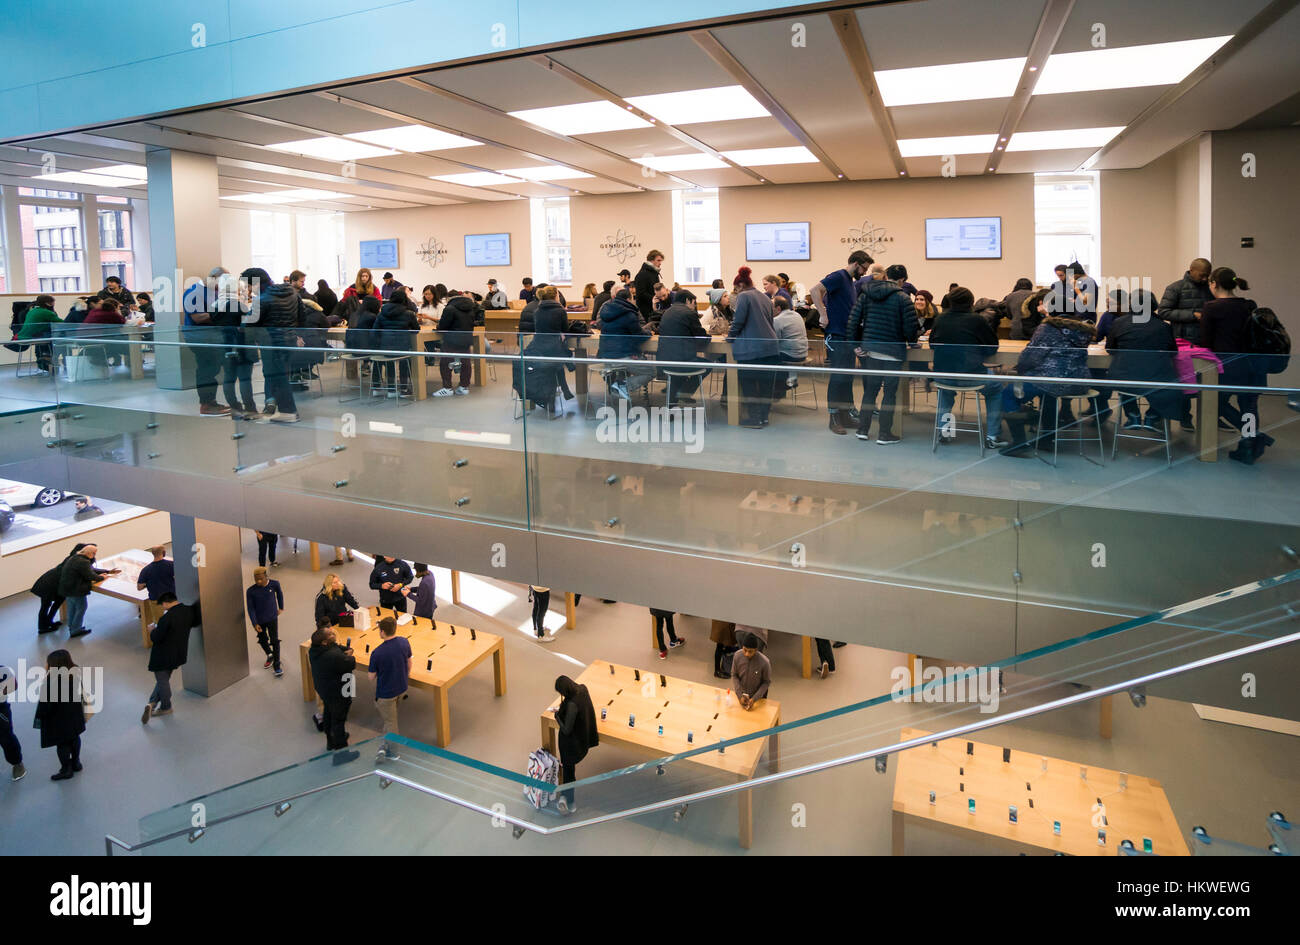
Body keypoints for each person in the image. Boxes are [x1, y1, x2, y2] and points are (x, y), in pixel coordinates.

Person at [1001, 295, 1099, 454]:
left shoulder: (1047, 328)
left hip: (1051, 379)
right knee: (1048, 395)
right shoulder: (1083, 330)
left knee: (1007, 394)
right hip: (1079, 382)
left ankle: (1019, 442)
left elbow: (1030, 357)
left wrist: (1020, 369)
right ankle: (1046, 439)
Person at [1201, 266, 1269, 464]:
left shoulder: (1211, 308)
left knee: (1219, 405)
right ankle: (1248, 445)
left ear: (1214, 284)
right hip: (1254, 364)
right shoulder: (1249, 305)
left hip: (1227, 366)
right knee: (1249, 406)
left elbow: (1206, 343)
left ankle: (1253, 437)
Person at [848, 263, 920, 444]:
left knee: (870, 391)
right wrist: (912, 342)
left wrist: (855, 344)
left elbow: (853, 320)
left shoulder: (866, 294)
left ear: (886, 276)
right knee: (889, 393)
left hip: (871, 350)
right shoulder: (903, 298)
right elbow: (910, 327)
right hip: (893, 352)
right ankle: (884, 434)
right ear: (902, 280)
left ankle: (863, 430)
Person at [928, 287, 1007, 450]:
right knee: (996, 389)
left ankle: (945, 432)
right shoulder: (977, 320)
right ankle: (993, 436)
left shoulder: (940, 319)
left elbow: (932, 344)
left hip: (943, 375)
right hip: (971, 374)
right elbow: (992, 347)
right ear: (971, 302)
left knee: (945, 391)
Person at [1105, 288, 1183, 433]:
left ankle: (1132, 415)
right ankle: (1152, 416)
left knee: (1126, 384)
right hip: (1155, 377)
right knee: (1171, 384)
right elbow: (1172, 352)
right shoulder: (1164, 326)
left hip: (1125, 376)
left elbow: (1110, 349)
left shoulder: (1119, 322)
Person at [812, 250, 873, 434]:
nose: (864, 273)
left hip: (847, 336)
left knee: (846, 377)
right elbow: (815, 290)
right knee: (838, 377)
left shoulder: (851, 283)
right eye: (864, 268)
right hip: (836, 335)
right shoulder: (839, 276)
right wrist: (823, 314)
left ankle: (845, 415)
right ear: (856, 263)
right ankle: (834, 418)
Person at [242, 267, 304, 423]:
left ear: (255, 283)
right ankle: (284, 409)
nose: (248, 290)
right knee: (281, 376)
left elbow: (248, 326)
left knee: (277, 377)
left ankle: (289, 411)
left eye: (248, 286)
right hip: (289, 341)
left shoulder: (261, 300)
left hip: (271, 344)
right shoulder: (293, 293)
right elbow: (302, 317)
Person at [728, 266, 780, 428]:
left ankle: (754, 418)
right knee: (766, 385)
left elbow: (739, 321)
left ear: (741, 286)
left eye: (736, 289)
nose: (735, 292)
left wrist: (730, 336)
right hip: (771, 347)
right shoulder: (765, 297)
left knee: (749, 384)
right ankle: (764, 417)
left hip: (751, 349)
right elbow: (770, 322)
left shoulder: (743, 296)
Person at [208, 269, 259, 418]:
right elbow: (247, 325)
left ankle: (235, 408)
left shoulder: (214, 307)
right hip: (242, 346)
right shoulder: (240, 306)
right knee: (245, 379)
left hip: (225, 346)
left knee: (228, 378)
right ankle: (250, 409)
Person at [34, 650, 87, 781]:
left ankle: (66, 769)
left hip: (59, 722)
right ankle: (76, 763)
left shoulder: (50, 684)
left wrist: (40, 718)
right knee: (75, 739)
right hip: (75, 716)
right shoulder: (75, 674)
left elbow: (45, 707)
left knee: (62, 745)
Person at [141, 592, 193, 723]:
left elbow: (157, 637)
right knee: (163, 679)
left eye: (163, 605)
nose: (163, 608)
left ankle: (166, 706)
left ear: (166, 602)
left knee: (162, 681)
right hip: (179, 652)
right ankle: (152, 703)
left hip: (163, 655)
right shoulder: (188, 610)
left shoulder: (167, 618)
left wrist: (152, 630)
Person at [552, 675, 598, 814]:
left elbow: (566, 730)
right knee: (569, 771)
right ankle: (567, 797)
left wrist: (557, 717)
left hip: (570, 745)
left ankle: (570, 800)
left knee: (569, 772)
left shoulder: (572, 705)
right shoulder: (583, 688)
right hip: (583, 736)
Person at [597, 288, 653, 400]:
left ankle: (619, 385)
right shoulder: (629, 314)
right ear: (628, 299)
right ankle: (623, 385)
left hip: (605, 357)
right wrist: (649, 333)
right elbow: (639, 336)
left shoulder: (606, 311)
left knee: (624, 370)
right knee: (652, 371)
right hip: (622, 357)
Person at [656, 289, 710, 405]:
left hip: (664, 360)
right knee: (708, 365)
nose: (694, 306)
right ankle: (685, 392)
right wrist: (709, 336)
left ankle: (672, 405)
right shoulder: (689, 313)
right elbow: (701, 338)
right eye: (693, 303)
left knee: (676, 373)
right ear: (687, 300)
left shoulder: (667, 312)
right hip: (682, 360)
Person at [309, 622, 356, 752]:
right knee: (339, 719)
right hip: (337, 691)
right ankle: (341, 749)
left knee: (328, 713)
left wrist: (342, 651)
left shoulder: (315, 649)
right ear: (324, 642)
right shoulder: (333, 656)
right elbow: (350, 663)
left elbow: (335, 647)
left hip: (324, 689)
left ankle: (331, 740)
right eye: (330, 634)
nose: (333, 633)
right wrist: (349, 655)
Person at [58, 543, 117, 639]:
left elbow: (91, 570)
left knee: (72, 608)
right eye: (94, 553)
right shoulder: (83, 562)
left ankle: (71, 626)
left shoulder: (75, 558)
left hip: (67, 588)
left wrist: (107, 571)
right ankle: (76, 629)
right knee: (81, 607)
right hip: (76, 590)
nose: (95, 556)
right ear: (90, 553)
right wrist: (102, 577)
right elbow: (91, 575)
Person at [367, 616, 412, 736]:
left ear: (382, 632)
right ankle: (386, 742)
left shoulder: (377, 653)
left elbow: (371, 677)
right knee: (390, 718)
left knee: (391, 722)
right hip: (402, 687)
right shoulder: (404, 642)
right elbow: (409, 663)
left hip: (386, 694)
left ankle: (393, 752)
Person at [374, 288, 419, 395]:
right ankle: (404, 389)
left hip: (385, 346)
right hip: (402, 346)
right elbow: (416, 330)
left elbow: (375, 330)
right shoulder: (409, 314)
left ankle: (391, 390)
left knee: (390, 363)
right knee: (404, 363)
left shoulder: (382, 313)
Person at [1158, 258, 1213, 342]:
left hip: (1207, 339)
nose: (1205, 279)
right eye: (1202, 275)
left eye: (1207, 276)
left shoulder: (1211, 288)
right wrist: (1193, 315)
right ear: (1192, 270)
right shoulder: (1175, 288)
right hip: (1183, 341)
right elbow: (1163, 312)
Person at [31, 544, 83, 634]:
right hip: (48, 585)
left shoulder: (72, 558)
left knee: (57, 602)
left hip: (55, 585)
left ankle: (49, 622)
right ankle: (42, 628)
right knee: (45, 606)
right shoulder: (73, 560)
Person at [434, 291, 476, 395]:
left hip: (451, 340)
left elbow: (443, 326)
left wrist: (438, 327)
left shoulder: (449, 309)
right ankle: (464, 387)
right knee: (466, 363)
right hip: (466, 339)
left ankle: (447, 388)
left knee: (445, 362)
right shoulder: (470, 308)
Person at [246, 566, 285, 676]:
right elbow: (250, 608)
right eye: (256, 579)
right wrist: (255, 623)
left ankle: (277, 665)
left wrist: (281, 607)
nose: (258, 581)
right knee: (262, 639)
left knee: (274, 640)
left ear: (266, 576)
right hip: (260, 621)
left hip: (272, 618)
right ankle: (269, 654)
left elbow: (280, 595)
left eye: (261, 579)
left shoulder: (274, 584)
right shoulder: (251, 591)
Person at [772, 295, 809, 392]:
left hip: (790, 356)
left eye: (771, 307)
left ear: (778, 308)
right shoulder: (797, 315)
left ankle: (775, 390)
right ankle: (791, 380)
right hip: (803, 353)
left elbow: (774, 341)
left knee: (764, 358)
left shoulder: (777, 320)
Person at [16, 294, 61, 372]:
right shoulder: (46, 312)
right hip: (34, 337)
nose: (54, 304)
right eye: (53, 302)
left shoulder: (32, 311)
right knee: (58, 338)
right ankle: (48, 359)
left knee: (46, 337)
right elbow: (62, 323)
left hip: (23, 336)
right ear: (47, 303)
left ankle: (43, 360)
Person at [731, 632, 771, 710]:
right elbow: (734, 675)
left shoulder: (765, 662)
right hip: (741, 695)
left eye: (750, 651)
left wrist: (754, 699)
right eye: (745, 650)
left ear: (756, 650)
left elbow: (766, 682)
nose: (746, 654)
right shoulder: (737, 656)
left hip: (758, 699)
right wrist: (739, 695)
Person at [0, 663, 24, 782]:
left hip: (0, 710)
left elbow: (13, 685)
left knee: (6, 737)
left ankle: (17, 763)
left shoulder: (3, 670)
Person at [634, 250, 665, 324]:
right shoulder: (642, 274)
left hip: (653, 309)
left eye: (661, 261)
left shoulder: (653, 273)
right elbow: (640, 294)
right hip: (646, 312)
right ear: (651, 260)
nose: (660, 263)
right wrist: (655, 298)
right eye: (658, 260)